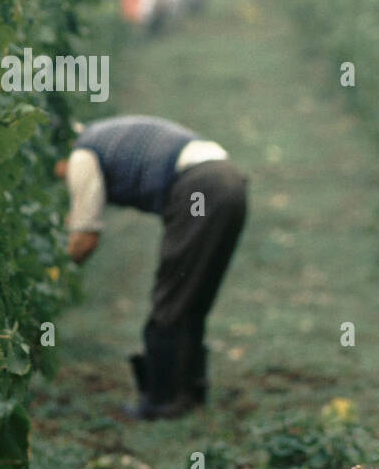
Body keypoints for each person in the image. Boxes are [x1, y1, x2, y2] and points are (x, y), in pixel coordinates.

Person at [54, 115, 248, 419]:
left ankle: (162, 402)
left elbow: (86, 238)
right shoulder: (102, 135)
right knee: (195, 293)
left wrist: (55, 273)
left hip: (200, 188)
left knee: (172, 296)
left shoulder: (83, 154)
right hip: (230, 181)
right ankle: (191, 392)